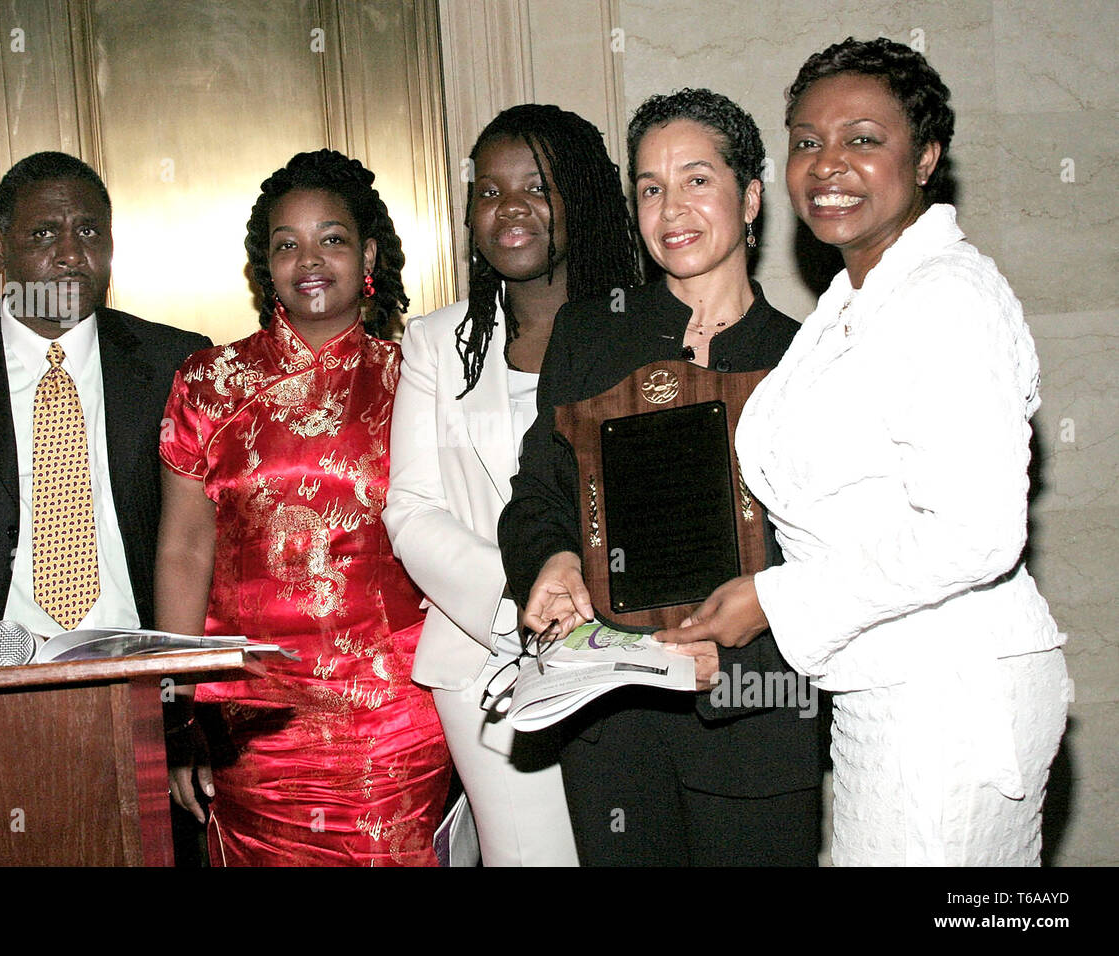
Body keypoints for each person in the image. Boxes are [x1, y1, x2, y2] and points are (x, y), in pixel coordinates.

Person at [675, 38, 1067, 866]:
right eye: (808, 142)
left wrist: (776, 600)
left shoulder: (946, 296)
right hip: (884, 685)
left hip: (950, 695)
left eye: (862, 138)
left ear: (925, 157)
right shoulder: (853, 298)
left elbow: (975, 531)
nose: (828, 165)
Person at [498, 90, 821, 866]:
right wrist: (552, 559)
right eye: (650, 187)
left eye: (697, 181)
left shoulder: (807, 360)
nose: (671, 208)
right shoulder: (588, 334)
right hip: (614, 725)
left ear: (750, 198)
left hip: (758, 716)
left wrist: (740, 651)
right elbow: (538, 492)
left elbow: (837, 560)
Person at [156, 149, 450, 866]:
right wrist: (177, 710)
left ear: (368, 252)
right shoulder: (209, 384)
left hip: (394, 716)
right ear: (265, 265)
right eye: (287, 244)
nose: (309, 260)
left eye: (332, 239)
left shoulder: (420, 374)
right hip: (251, 721)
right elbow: (183, 550)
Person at [383, 104, 639, 865]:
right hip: (485, 651)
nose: (511, 208)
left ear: (581, 199)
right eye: (489, 192)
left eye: (537, 186)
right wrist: (521, 590)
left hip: (626, 651)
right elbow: (411, 507)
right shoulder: (436, 341)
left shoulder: (639, 330)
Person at [0, 151, 211, 670]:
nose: (71, 254)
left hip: (142, 673)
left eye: (90, 233)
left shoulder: (176, 363)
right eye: (45, 234)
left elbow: (198, 532)